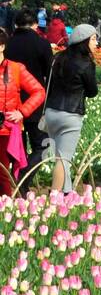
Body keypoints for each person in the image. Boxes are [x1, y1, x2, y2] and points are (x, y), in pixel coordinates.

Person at [41, 23, 100, 194]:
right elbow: (92, 92)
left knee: (60, 156)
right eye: (94, 39)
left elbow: (48, 85)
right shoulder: (86, 63)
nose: (96, 43)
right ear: (84, 41)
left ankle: (67, 194)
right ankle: (54, 198)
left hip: (51, 113)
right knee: (63, 159)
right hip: (71, 115)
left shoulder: (58, 58)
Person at [4, 10, 53, 181]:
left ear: (16, 25)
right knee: (42, 146)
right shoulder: (42, 44)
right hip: (34, 103)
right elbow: (50, 74)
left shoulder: (8, 44)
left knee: (19, 148)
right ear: (34, 25)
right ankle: (24, 178)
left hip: (10, 105)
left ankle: (17, 180)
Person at [0, 28, 46, 196]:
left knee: (3, 172)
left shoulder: (16, 69)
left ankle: (5, 206)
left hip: (6, 128)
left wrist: (21, 112)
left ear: (2, 46)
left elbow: (39, 91)